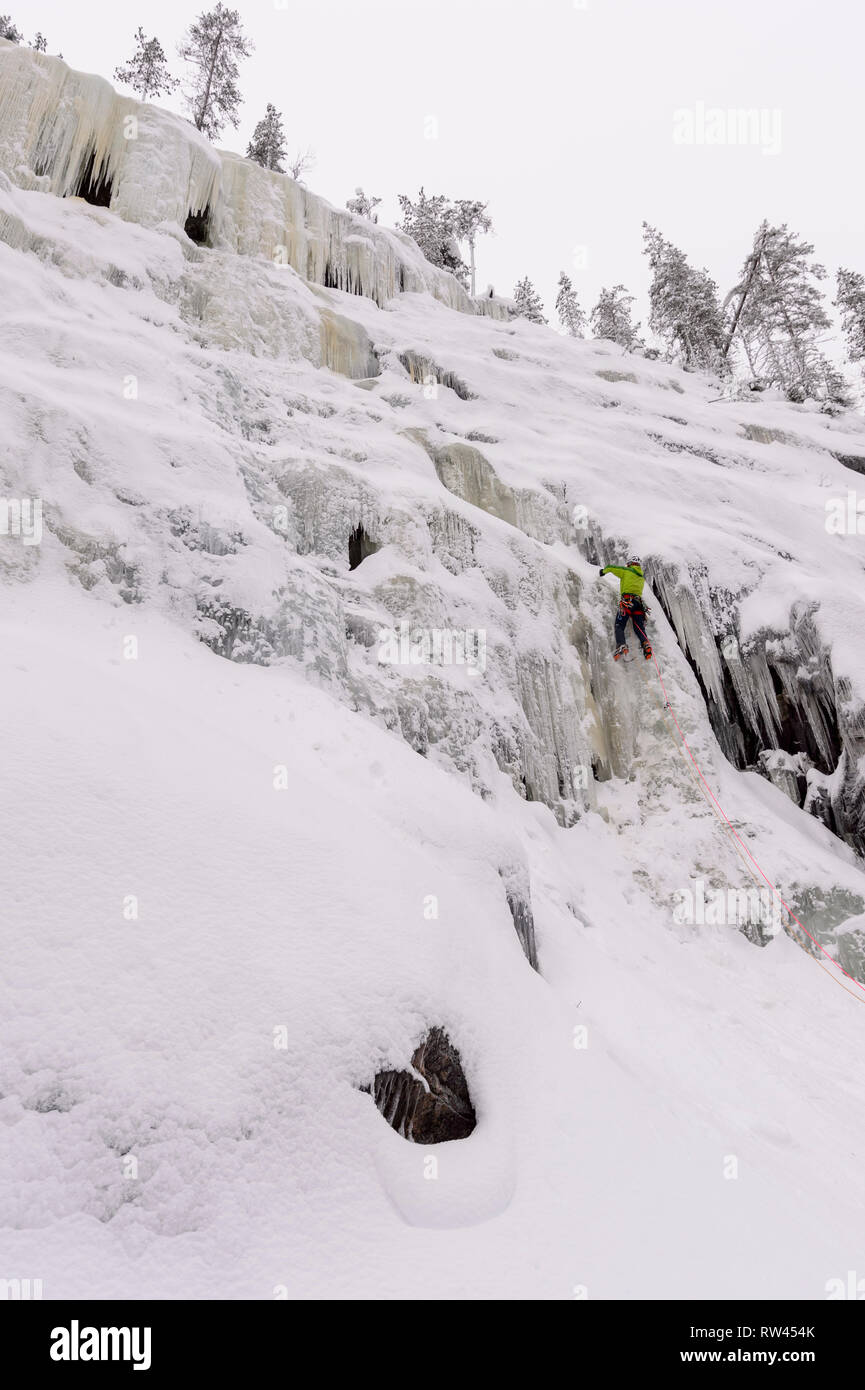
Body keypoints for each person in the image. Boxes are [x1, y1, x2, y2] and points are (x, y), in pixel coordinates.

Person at [598, 558, 653, 661]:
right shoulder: (641, 577)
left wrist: (602, 572)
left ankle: (621, 645)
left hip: (627, 602)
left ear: (630, 564)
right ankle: (645, 644)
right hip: (638, 605)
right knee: (639, 627)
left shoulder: (627, 571)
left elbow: (612, 568)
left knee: (619, 625)